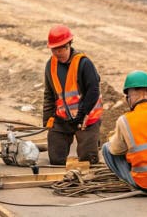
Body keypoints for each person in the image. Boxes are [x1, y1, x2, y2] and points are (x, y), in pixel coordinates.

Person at [42, 25, 103, 165]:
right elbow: (49, 94)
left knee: (88, 161)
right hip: (63, 119)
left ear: (69, 44)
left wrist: (82, 114)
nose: (58, 53)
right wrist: (48, 120)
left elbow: (93, 91)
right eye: (54, 49)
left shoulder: (84, 63)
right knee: (56, 160)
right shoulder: (50, 66)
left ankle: (93, 147)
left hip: (86, 118)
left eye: (61, 48)